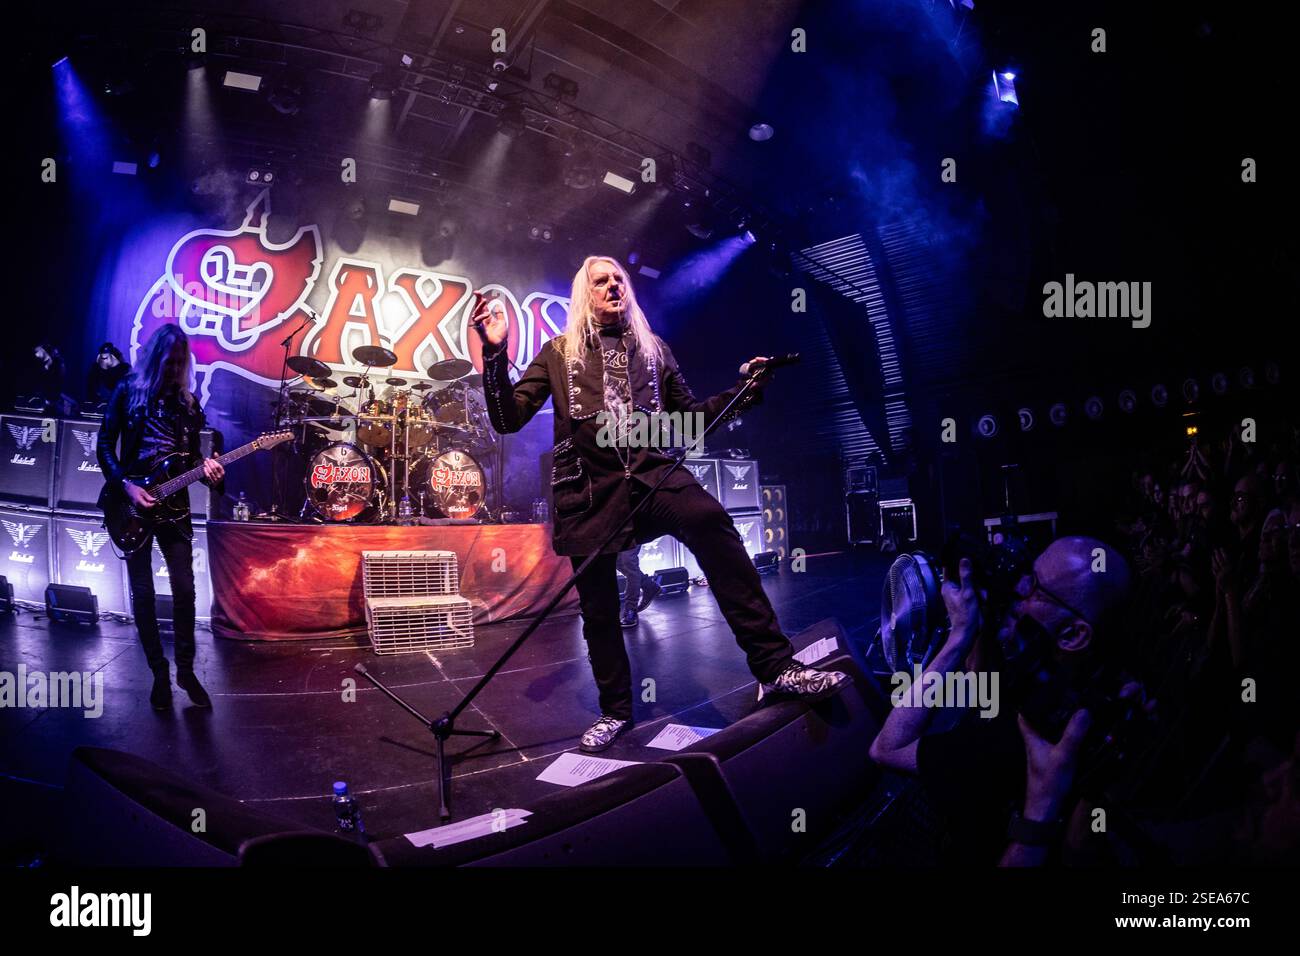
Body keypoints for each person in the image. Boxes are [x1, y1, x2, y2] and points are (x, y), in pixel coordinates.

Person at [473, 255, 848, 752]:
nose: (613, 286)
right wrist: (496, 354)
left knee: (711, 520)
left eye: (619, 279)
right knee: (600, 609)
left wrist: (745, 390)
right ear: (585, 293)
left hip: (652, 476)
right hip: (588, 490)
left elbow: (689, 421)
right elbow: (507, 418)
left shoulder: (654, 351)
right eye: (601, 280)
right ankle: (616, 711)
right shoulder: (558, 353)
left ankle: (775, 666)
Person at [868, 536, 1132, 864]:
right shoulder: (1091, 695)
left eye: (1034, 586)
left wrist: (958, 638)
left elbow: (886, 747)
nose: (1019, 591)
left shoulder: (998, 739)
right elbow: (984, 687)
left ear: (1074, 634)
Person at [97, 325, 224, 711]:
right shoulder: (128, 390)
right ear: (156, 358)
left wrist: (210, 471)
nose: (174, 370)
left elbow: (190, 462)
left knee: (185, 590)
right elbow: (104, 445)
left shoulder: (188, 403)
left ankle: (185, 670)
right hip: (132, 503)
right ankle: (158, 673)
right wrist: (127, 487)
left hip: (176, 506)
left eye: (179, 364)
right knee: (144, 592)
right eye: (169, 362)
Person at [616, 544, 662, 627]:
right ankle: (649, 586)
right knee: (619, 562)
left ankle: (631, 610)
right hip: (618, 534)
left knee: (628, 561)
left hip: (632, 532)